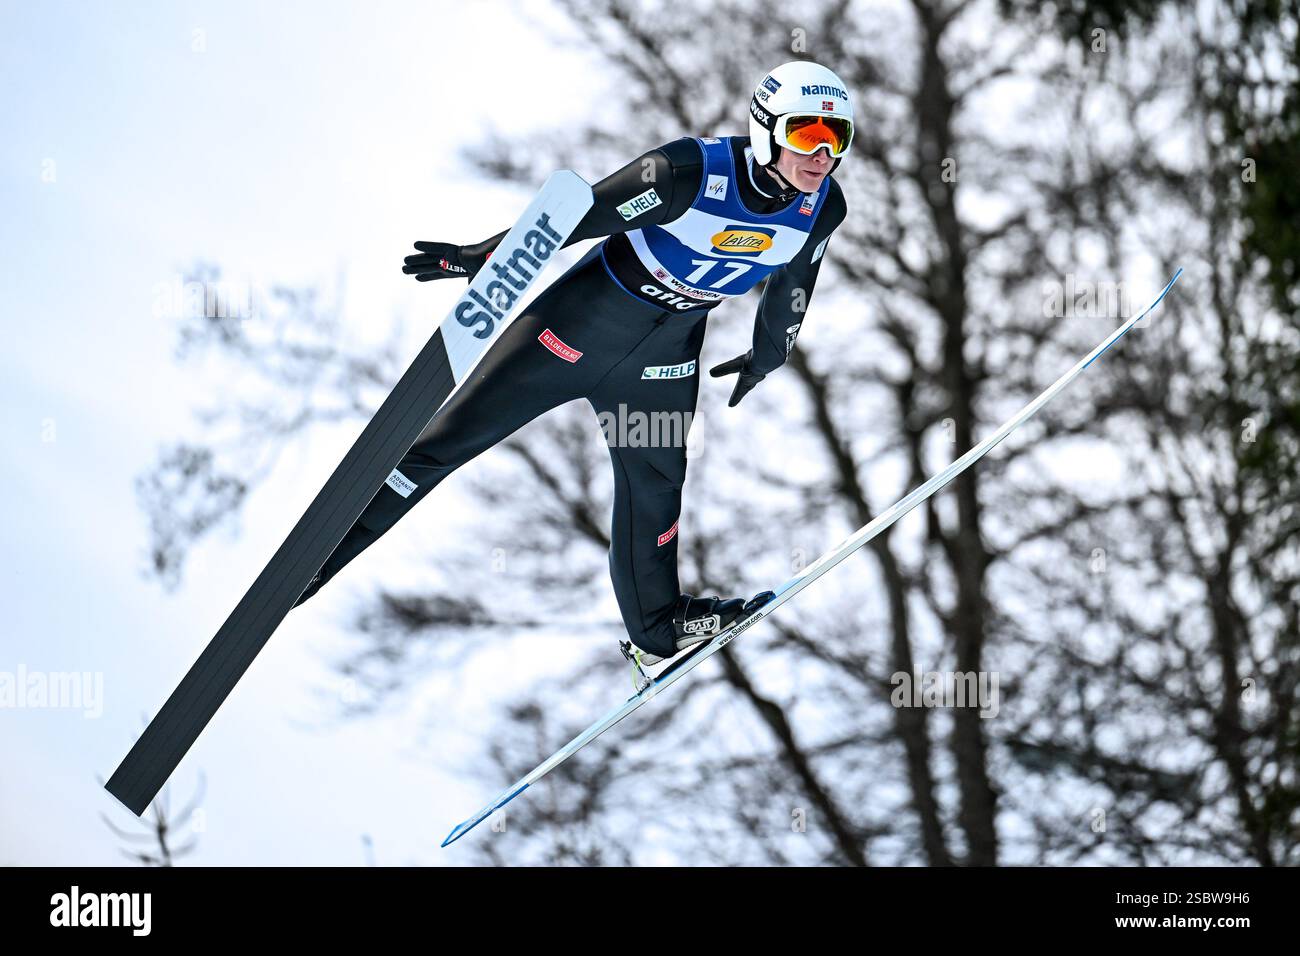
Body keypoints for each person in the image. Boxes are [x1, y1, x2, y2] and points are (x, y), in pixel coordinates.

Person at [295, 60, 854, 668]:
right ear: (768, 127)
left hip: (660, 366)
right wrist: (479, 257)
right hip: (574, 332)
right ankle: (309, 568)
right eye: (806, 135)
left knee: (657, 489)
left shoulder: (820, 208)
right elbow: (577, 216)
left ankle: (661, 627)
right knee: (446, 442)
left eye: (836, 139)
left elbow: (796, 282)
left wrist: (770, 354)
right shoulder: (687, 173)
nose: (821, 154)